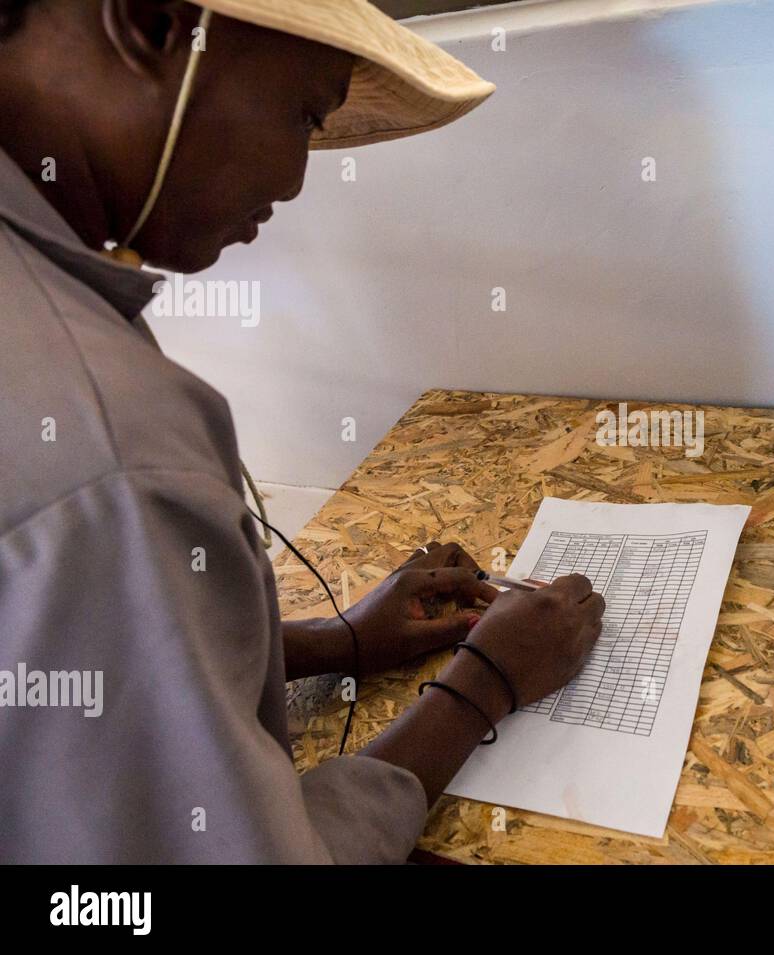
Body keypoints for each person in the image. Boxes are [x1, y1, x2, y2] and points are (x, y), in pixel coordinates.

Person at [0, 0, 604, 863]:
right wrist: (484, 682)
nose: (292, 182)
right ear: (152, 24)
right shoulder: (113, 450)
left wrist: (339, 641)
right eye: (305, 117)